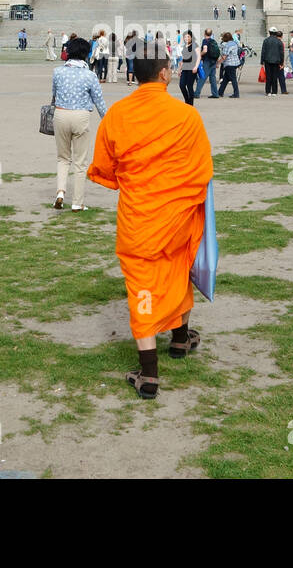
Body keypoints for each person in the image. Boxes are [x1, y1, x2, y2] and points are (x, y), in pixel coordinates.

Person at [88, 39, 213, 399]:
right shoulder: (187, 116)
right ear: (163, 73)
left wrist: (133, 181)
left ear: (134, 73)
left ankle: (150, 372)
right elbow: (203, 171)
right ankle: (178, 339)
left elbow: (103, 170)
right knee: (178, 271)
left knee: (142, 287)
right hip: (178, 216)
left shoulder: (116, 115)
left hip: (139, 218)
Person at [50, 36, 107, 212]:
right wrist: (107, 119)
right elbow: (99, 101)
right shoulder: (90, 75)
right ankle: (77, 202)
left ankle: (60, 192)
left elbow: (54, 94)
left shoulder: (57, 72)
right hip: (81, 116)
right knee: (80, 162)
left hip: (60, 114)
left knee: (63, 158)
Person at [261, 28, 286, 96]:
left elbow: (263, 51)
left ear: (269, 32)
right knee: (275, 76)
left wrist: (262, 61)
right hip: (276, 61)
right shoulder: (279, 41)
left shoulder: (266, 40)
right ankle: (274, 91)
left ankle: (268, 91)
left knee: (268, 76)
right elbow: (281, 53)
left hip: (267, 61)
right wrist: (281, 62)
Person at [178, 31, 200, 106]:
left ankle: (190, 104)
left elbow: (199, 56)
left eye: (188, 37)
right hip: (185, 68)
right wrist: (180, 69)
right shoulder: (185, 46)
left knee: (189, 86)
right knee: (181, 85)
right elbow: (184, 59)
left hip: (192, 68)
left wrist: (196, 67)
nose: (186, 38)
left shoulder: (195, 45)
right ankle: (187, 100)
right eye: (185, 37)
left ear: (191, 37)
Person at [217, 31, 241, 98]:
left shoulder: (227, 45)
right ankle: (220, 92)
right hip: (235, 63)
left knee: (233, 79)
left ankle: (236, 93)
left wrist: (218, 63)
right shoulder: (234, 43)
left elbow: (224, 56)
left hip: (229, 64)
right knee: (225, 79)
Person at [201, 29, 222, 98]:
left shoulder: (205, 41)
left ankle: (196, 93)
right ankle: (215, 94)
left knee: (202, 77)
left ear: (205, 33)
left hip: (207, 61)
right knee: (213, 78)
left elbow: (205, 50)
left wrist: (200, 54)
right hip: (213, 61)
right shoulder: (213, 41)